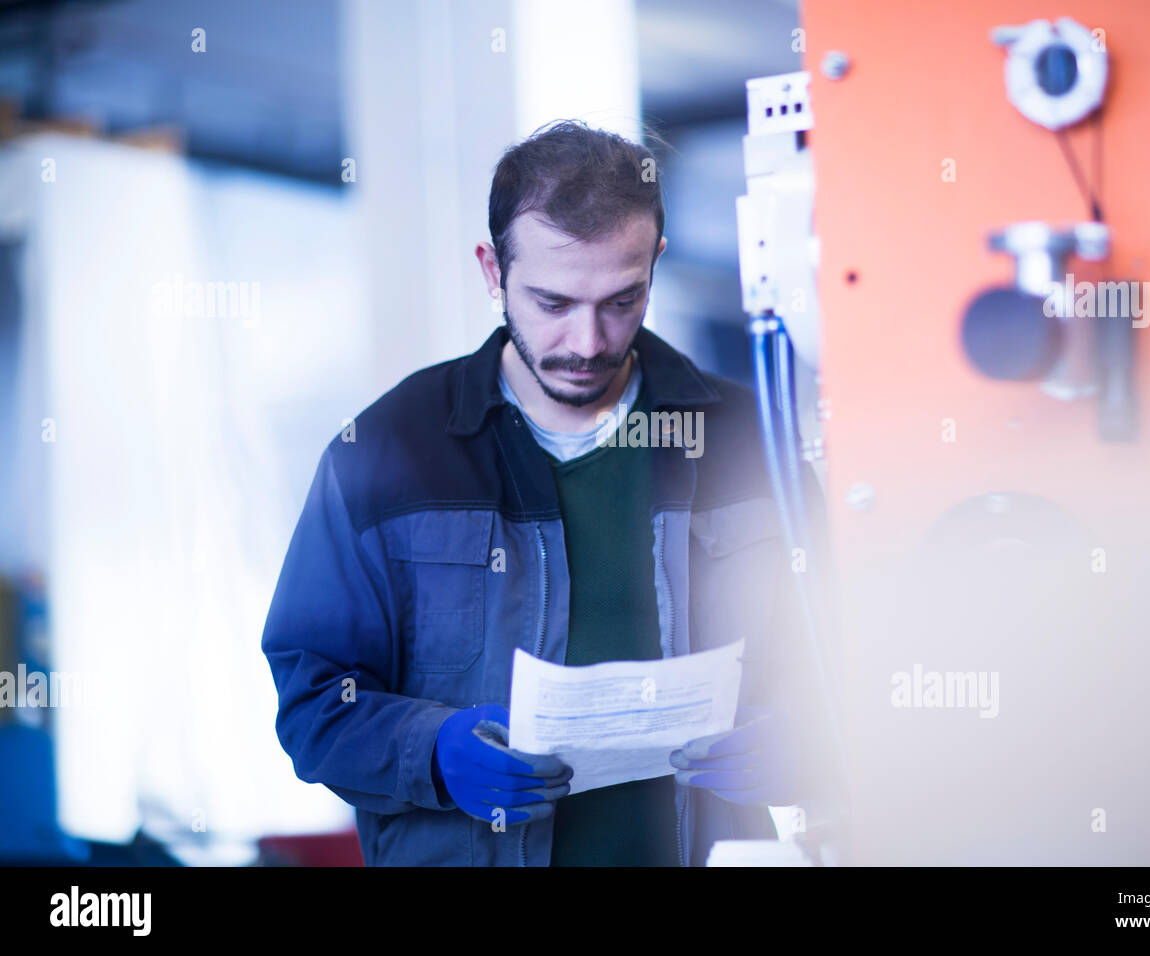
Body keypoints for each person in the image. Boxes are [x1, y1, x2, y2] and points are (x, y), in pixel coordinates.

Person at [261, 119, 821, 866]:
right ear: (493, 271)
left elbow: (847, 658)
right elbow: (314, 703)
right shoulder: (387, 452)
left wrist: (804, 737)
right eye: (553, 304)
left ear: (654, 262)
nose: (588, 342)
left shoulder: (751, 443)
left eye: (622, 300)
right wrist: (433, 750)